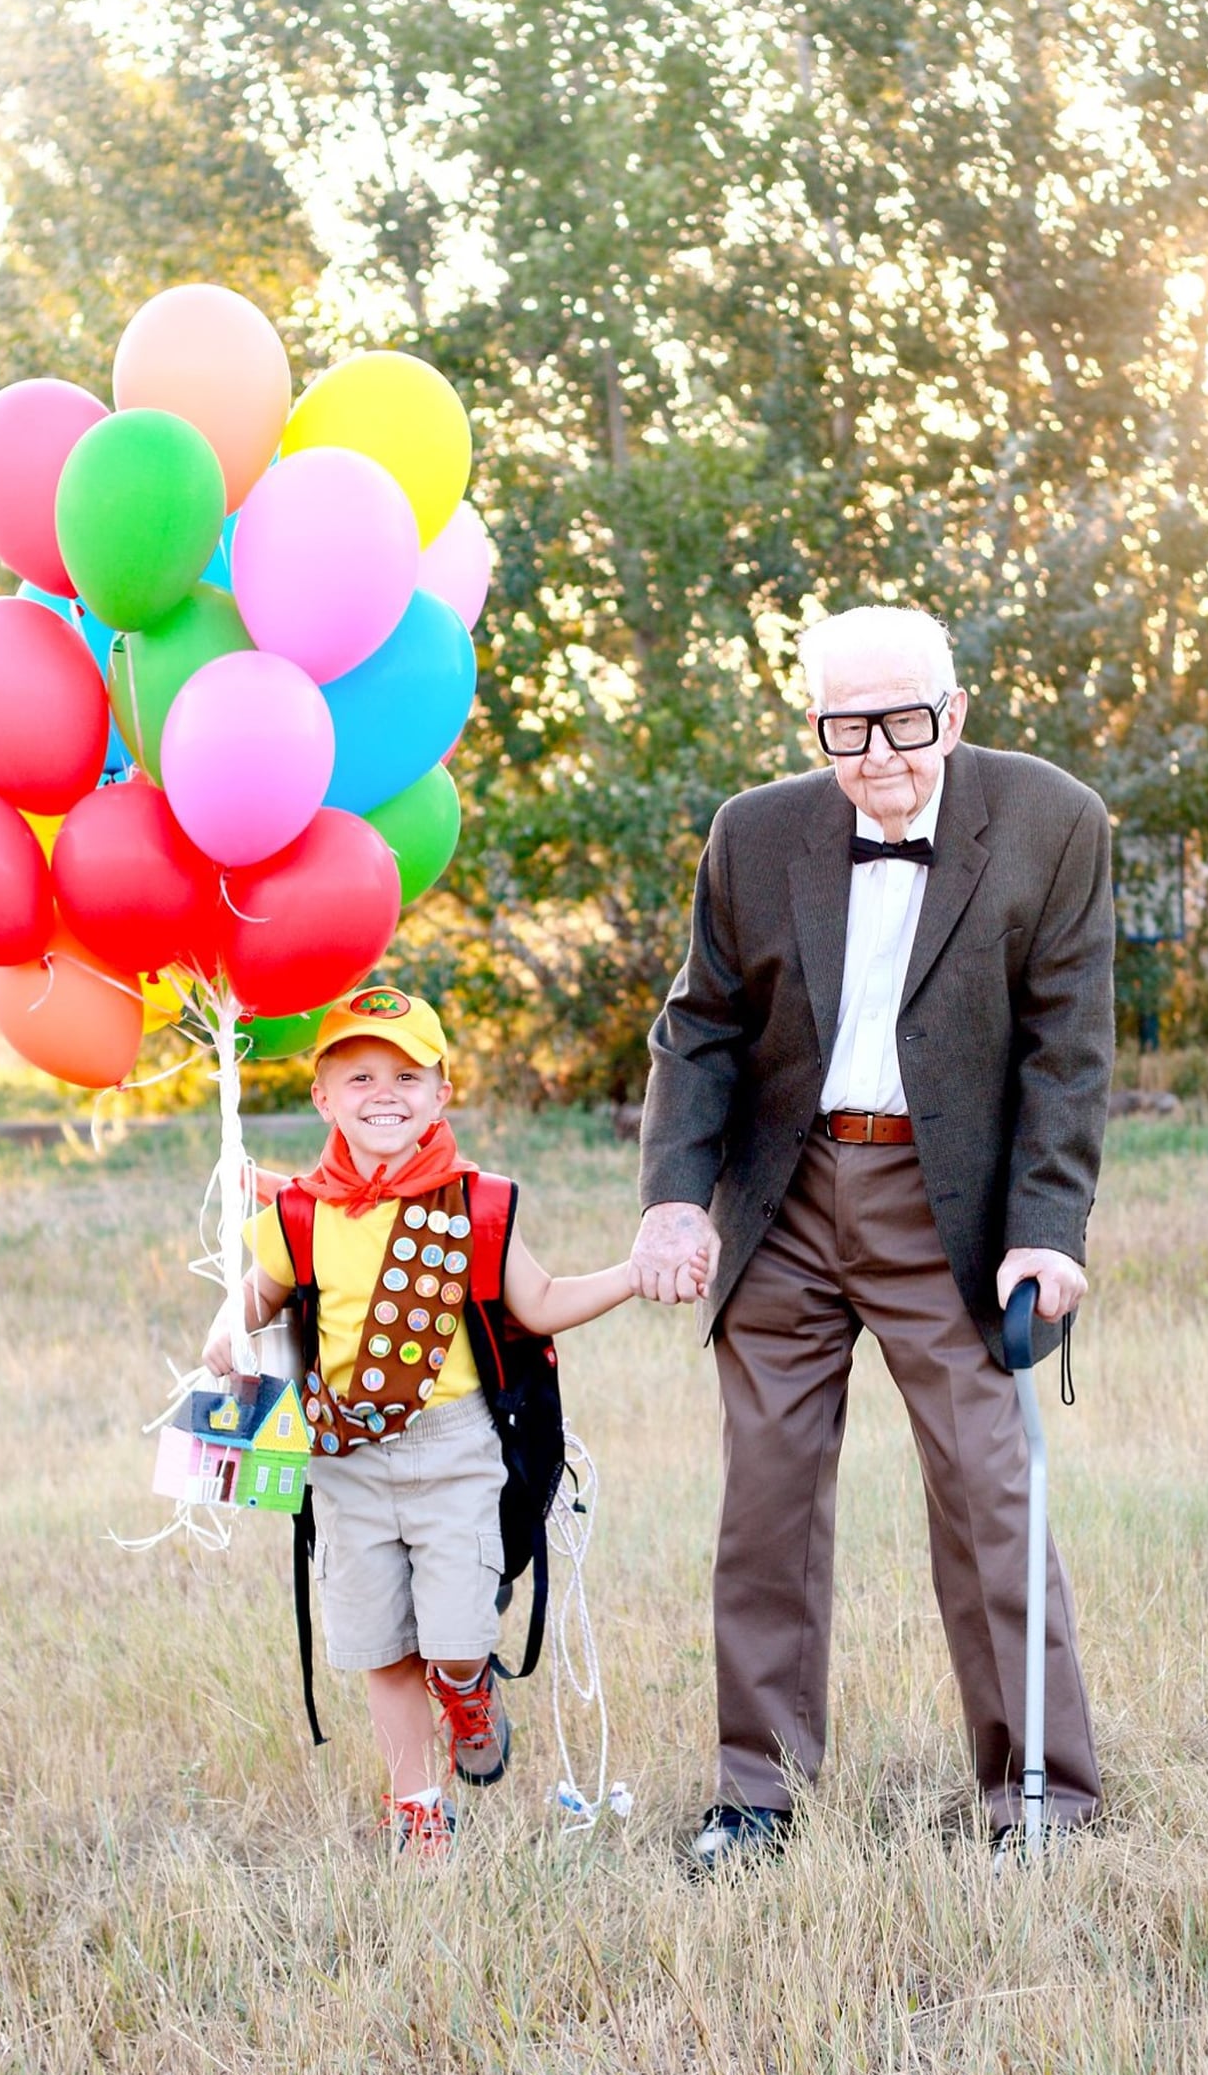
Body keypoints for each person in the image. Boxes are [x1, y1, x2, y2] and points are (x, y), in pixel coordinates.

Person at [631, 604, 1114, 1868]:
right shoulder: (754, 832)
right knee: (766, 1504)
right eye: (847, 725)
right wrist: (675, 1197)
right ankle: (756, 1796)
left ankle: (1038, 1799)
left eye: (904, 721)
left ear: (952, 714)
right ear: (814, 726)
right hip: (782, 1196)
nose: (880, 753)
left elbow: (1067, 1050)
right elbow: (699, 1028)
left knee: (986, 1491)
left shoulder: (1053, 820)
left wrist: (1046, 1230)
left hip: (942, 1204)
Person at [204, 986, 646, 1857]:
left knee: (453, 1635)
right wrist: (226, 1327)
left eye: (408, 1074)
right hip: (345, 1462)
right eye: (359, 1074)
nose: (385, 1093)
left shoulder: (472, 1205)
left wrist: (636, 1271)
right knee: (380, 1641)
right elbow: (259, 1297)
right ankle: (418, 1809)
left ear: (441, 1092)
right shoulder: (299, 1213)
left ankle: (469, 1689)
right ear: (322, 1097)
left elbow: (542, 1303)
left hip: (454, 1455)